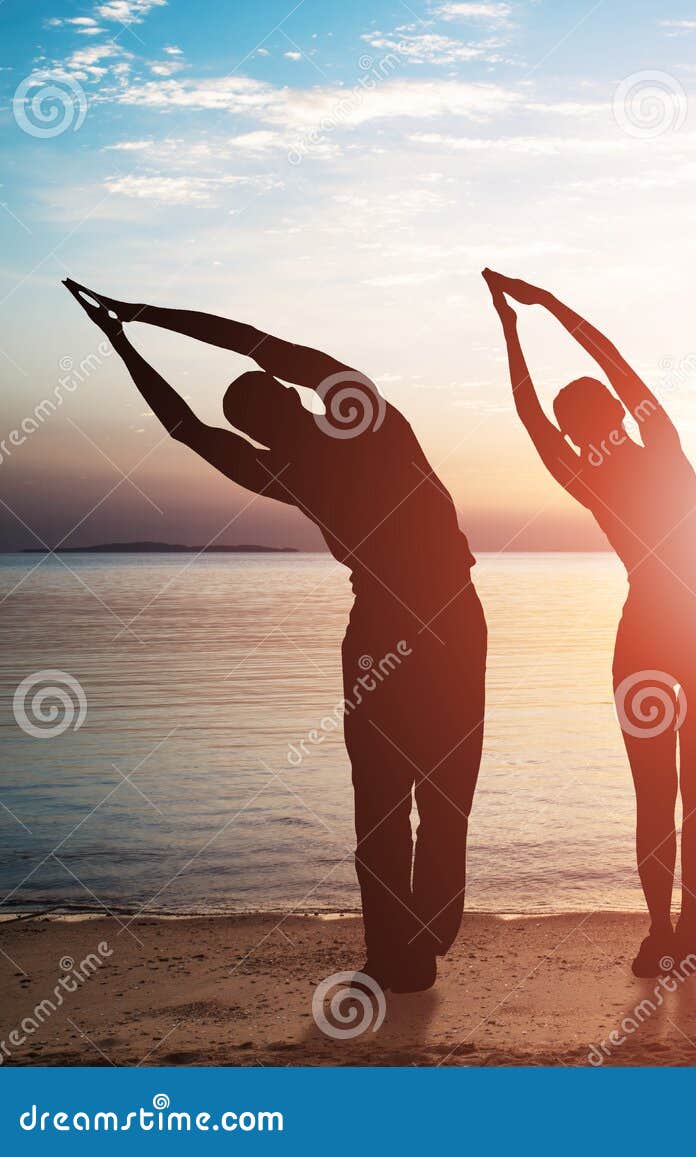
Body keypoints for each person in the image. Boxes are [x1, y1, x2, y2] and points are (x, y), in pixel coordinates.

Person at [65, 280, 485, 994]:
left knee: (418, 792)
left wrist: (131, 330)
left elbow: (206, 406)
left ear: (288, 406)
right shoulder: (339, 436)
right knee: (405, 794)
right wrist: (132, 328)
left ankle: (415, 939)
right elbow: (235, 374)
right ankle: (404, 947)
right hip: (420, 621)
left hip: (424, 623)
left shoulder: (332, 440)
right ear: (282, 411)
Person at [483, 269, 696, 977]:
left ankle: (668, 929)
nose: (575, 435)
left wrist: (513, 328)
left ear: (584, 429)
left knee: (661, 796)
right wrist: (547, 307)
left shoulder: (593, 476)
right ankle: (680, 928)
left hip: (658, 637)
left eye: (575, 427)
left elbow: (531, 411)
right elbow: (613, 367)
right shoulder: (660, 449)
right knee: (695, 792)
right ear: (616, 417)